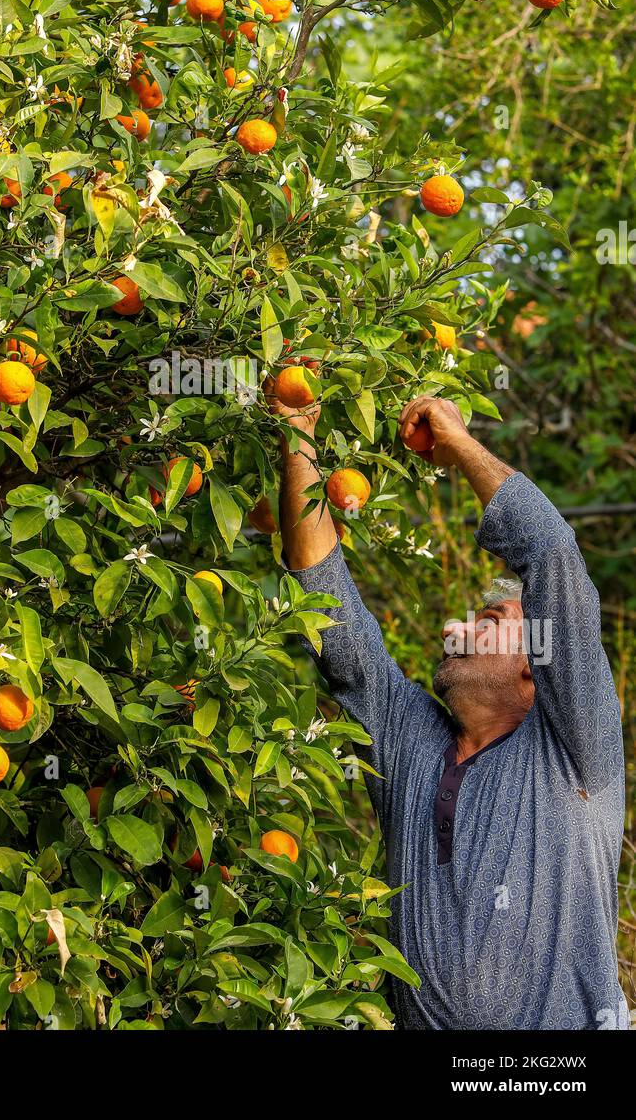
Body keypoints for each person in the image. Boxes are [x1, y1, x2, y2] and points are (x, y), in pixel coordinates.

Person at [272, 387, 627, 1031]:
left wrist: (460, 445)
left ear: (536, 662)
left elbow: (550, 553)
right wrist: (298, 433)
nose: (454, 630)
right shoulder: (411, 740)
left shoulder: (575, 747)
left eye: (489, 618)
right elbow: (325, 605)